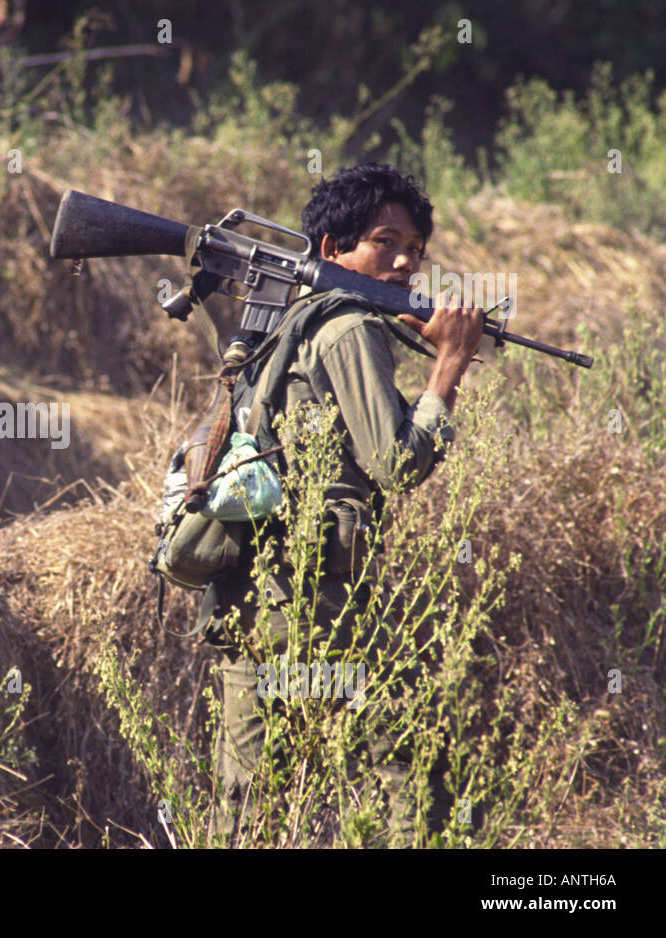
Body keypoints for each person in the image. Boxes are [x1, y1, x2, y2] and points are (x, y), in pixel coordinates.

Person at [207, 163, 484, 841]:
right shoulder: (348, 326)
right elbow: (394, 464)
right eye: (385, 241)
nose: (402, 261)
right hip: (321, 607)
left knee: (245, 809)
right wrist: (449, 364)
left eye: (416, 250)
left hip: (253, 597)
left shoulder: (292, 322)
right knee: (416, 776)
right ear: (332, 250)